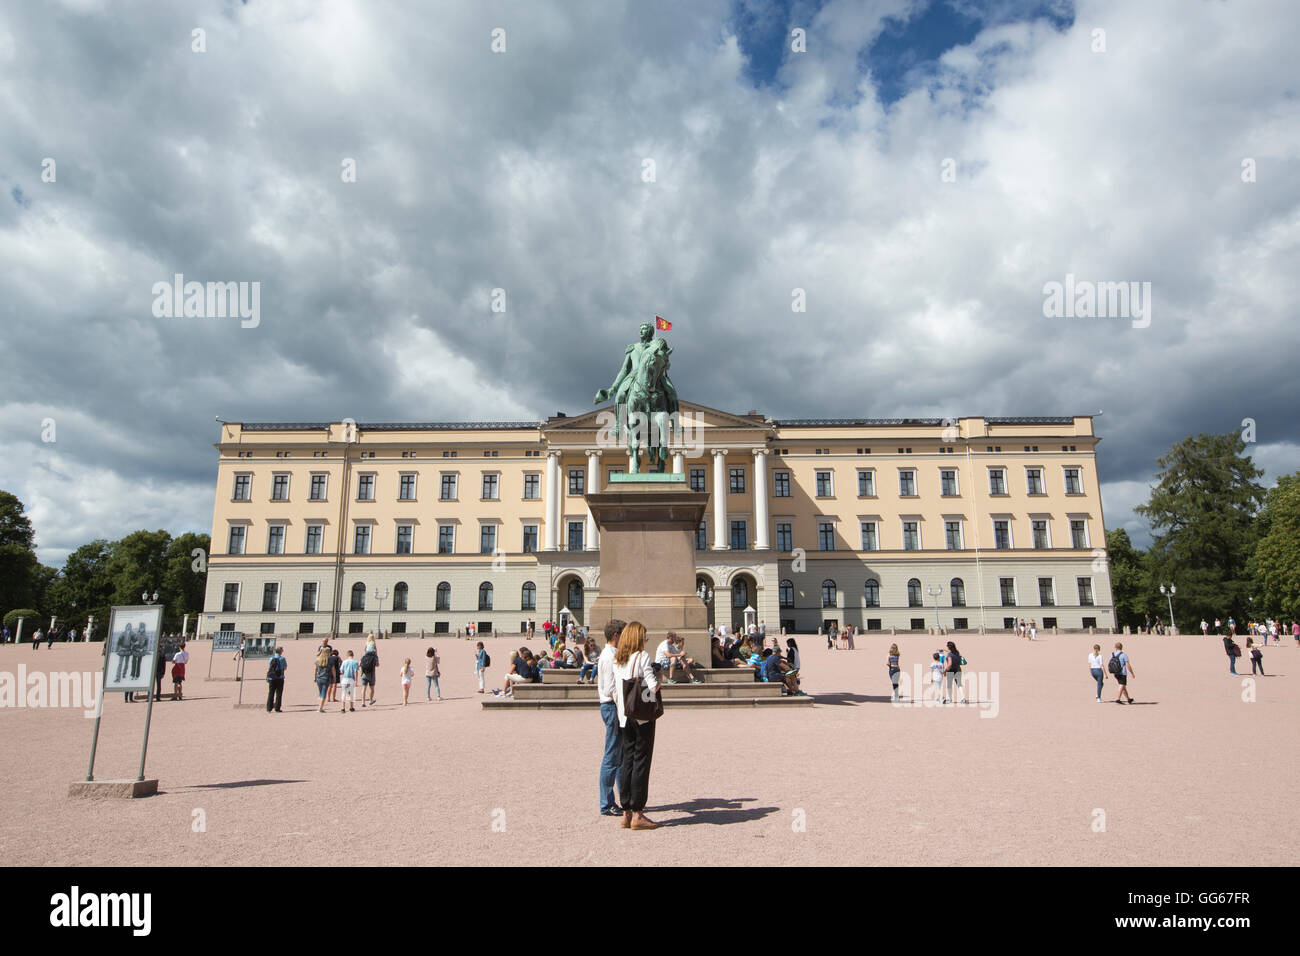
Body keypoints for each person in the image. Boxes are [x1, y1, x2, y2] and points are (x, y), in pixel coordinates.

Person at [613, 621, 660, 830]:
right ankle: (638, 813)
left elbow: (615, 689)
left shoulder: (617, 659)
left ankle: (626, 812)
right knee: (641, 762)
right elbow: (652, 687)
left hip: (624, 716)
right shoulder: (642, 657)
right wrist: (657, 679)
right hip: (641, 716)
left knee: (627, 762)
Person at [597, 619, 626, 818]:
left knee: (620, 755)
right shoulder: (608, 656)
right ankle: (606, 804)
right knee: (612, 756)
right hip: (612, 707)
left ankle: (622, 798)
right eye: (623, 634)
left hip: (615, 707)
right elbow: (609, 688)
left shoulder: (613, 654)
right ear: (615, 635)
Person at [266, 646, 286, 712]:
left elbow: (269, 666)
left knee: (271, 692)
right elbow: (285, 668)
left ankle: (269, 708)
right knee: (279, 693)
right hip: (280, 677)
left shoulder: (271, 658)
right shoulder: (282, 658)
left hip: (271, 677)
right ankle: (277, 708)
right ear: (280, 651)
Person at [314, 644, 332, 713]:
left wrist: (315, 677)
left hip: (319, 677)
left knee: (320, 693)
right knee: (323, 693)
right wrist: (334, 677)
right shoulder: (329, 660)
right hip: (326, 678)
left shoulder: (318, 660)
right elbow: (333, 670)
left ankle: (319, 706)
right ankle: (320, 708)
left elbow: (315, 669)